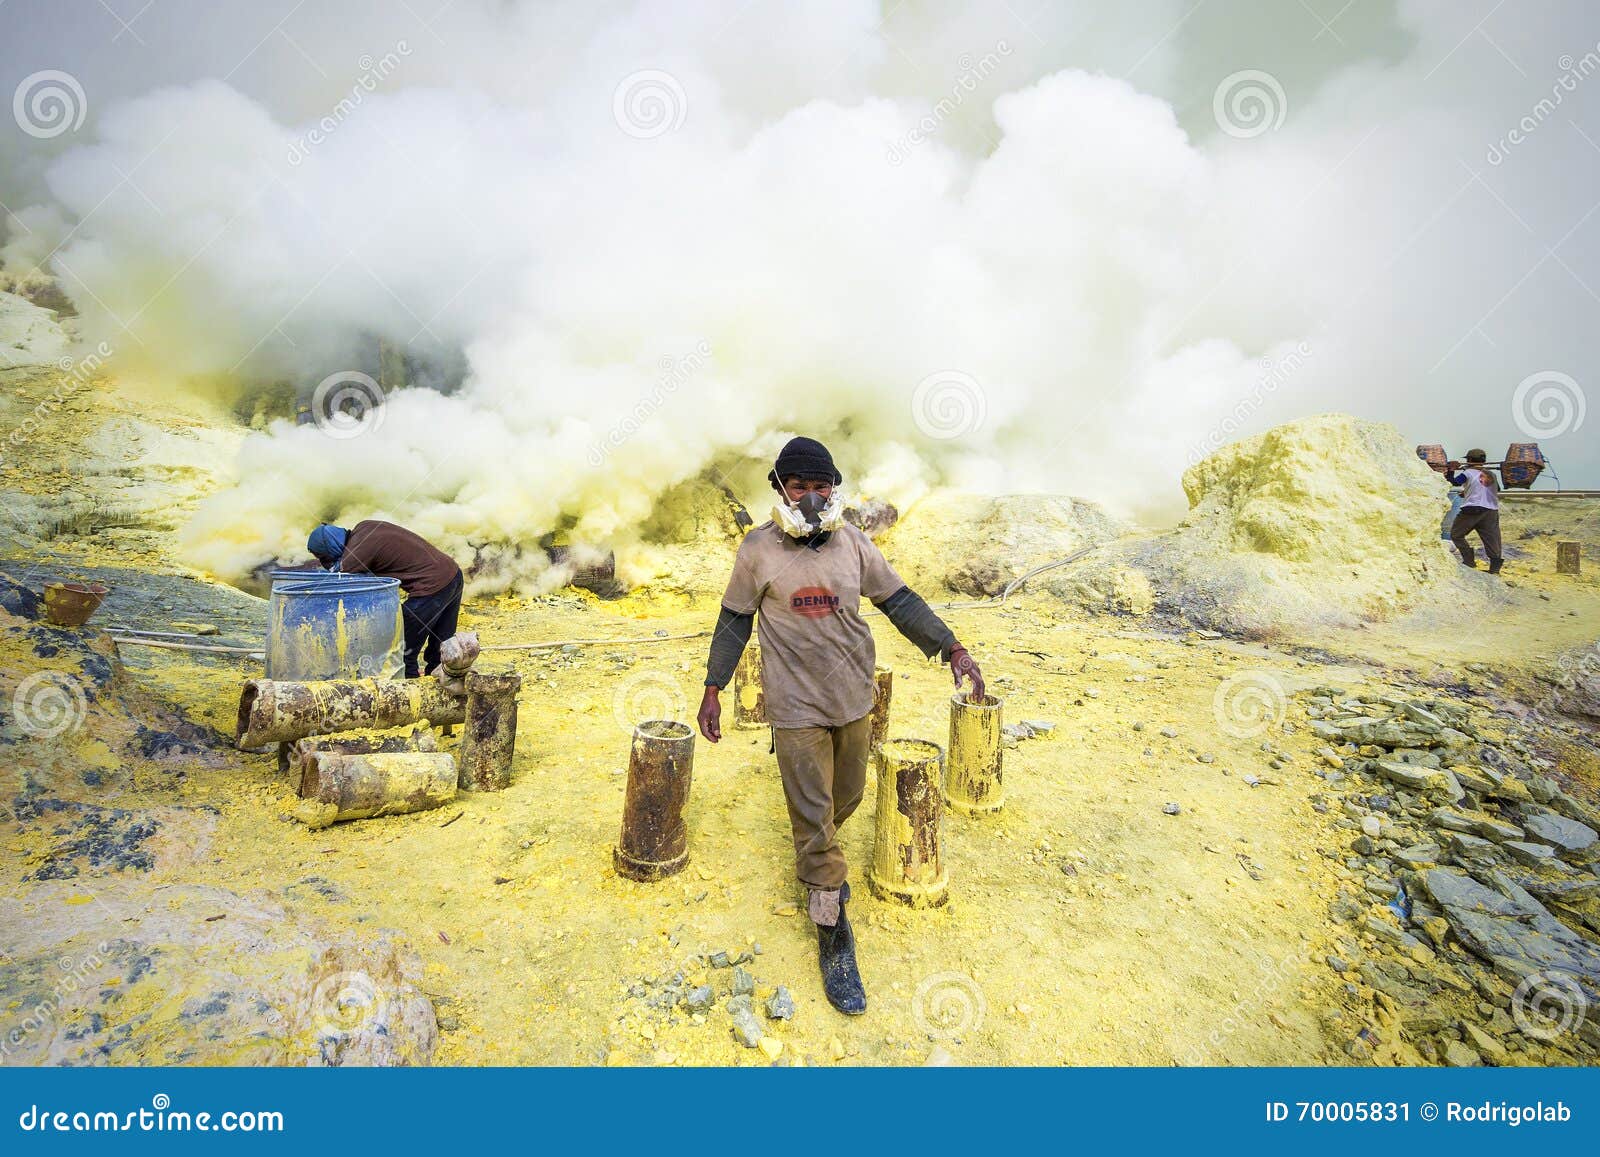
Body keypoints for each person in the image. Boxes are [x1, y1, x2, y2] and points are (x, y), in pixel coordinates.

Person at [696, 436, 984, 1015]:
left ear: (834, 488)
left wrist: (951, 647)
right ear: (780, 490)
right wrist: (713, 687)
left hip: (853, 698)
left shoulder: (853, 543)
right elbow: (733, 621)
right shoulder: (757, 549)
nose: (809, 497)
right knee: (813, 813)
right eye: (797, 486)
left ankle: (817, 853)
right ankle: (831, 922)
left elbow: (899, 602)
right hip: (795, 706)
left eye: (819, 485)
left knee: (845, 795)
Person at [307, 520, 464, 677]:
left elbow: (338, 577)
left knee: (402, 649)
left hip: (431, 586)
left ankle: (409, 686)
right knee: (442, 643)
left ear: (331, 547)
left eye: (323, 556)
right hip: (453, 574)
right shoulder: (364, 526)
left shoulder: (356, 553)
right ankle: (440, 682)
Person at [1445, 449, 1503, 574]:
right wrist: (1468, 491)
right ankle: (1495, 569)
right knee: (1492, 539)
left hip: (1471, 510)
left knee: (1456, 534)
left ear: (1469, 460)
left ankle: (1469, 561)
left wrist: (1451, 470)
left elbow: (1453, 482)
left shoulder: (1468, 473)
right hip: (1491, 511)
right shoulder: (1491, 474)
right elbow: (1496, 489)